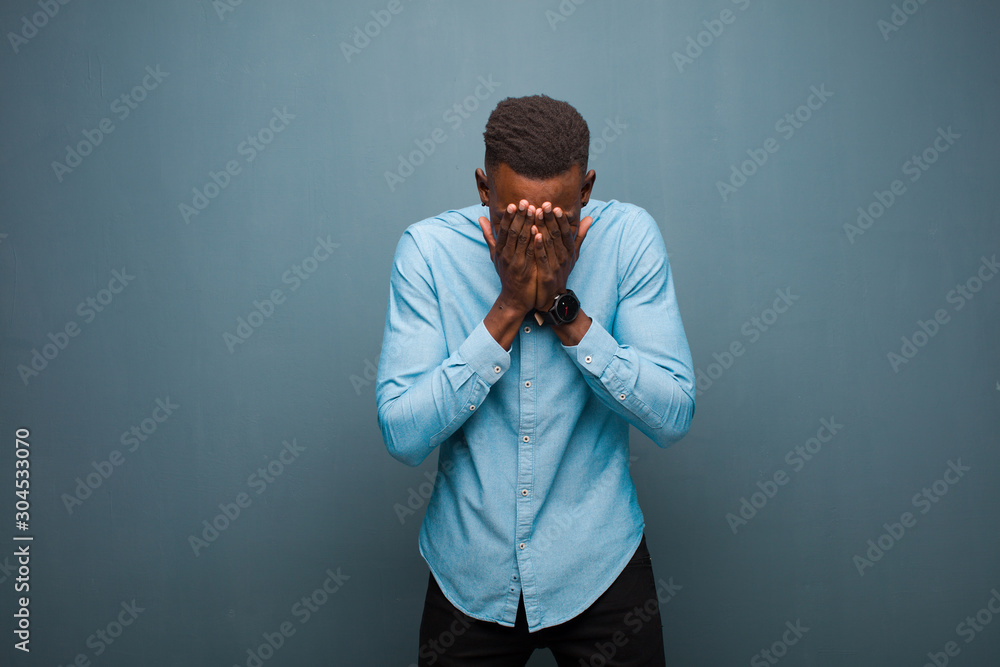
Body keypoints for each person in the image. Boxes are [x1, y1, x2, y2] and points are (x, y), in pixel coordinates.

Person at [376, 94, 696, 666]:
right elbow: (402, 435)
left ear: (587, 189)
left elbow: (673, 416)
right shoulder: (428, 253)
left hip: (599, 563)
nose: (538, 240)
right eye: (514, 220)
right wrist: (507, 308)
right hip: (470, 572)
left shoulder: (629, 240)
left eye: (558, 221)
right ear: (483, 188)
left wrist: (566, 312)